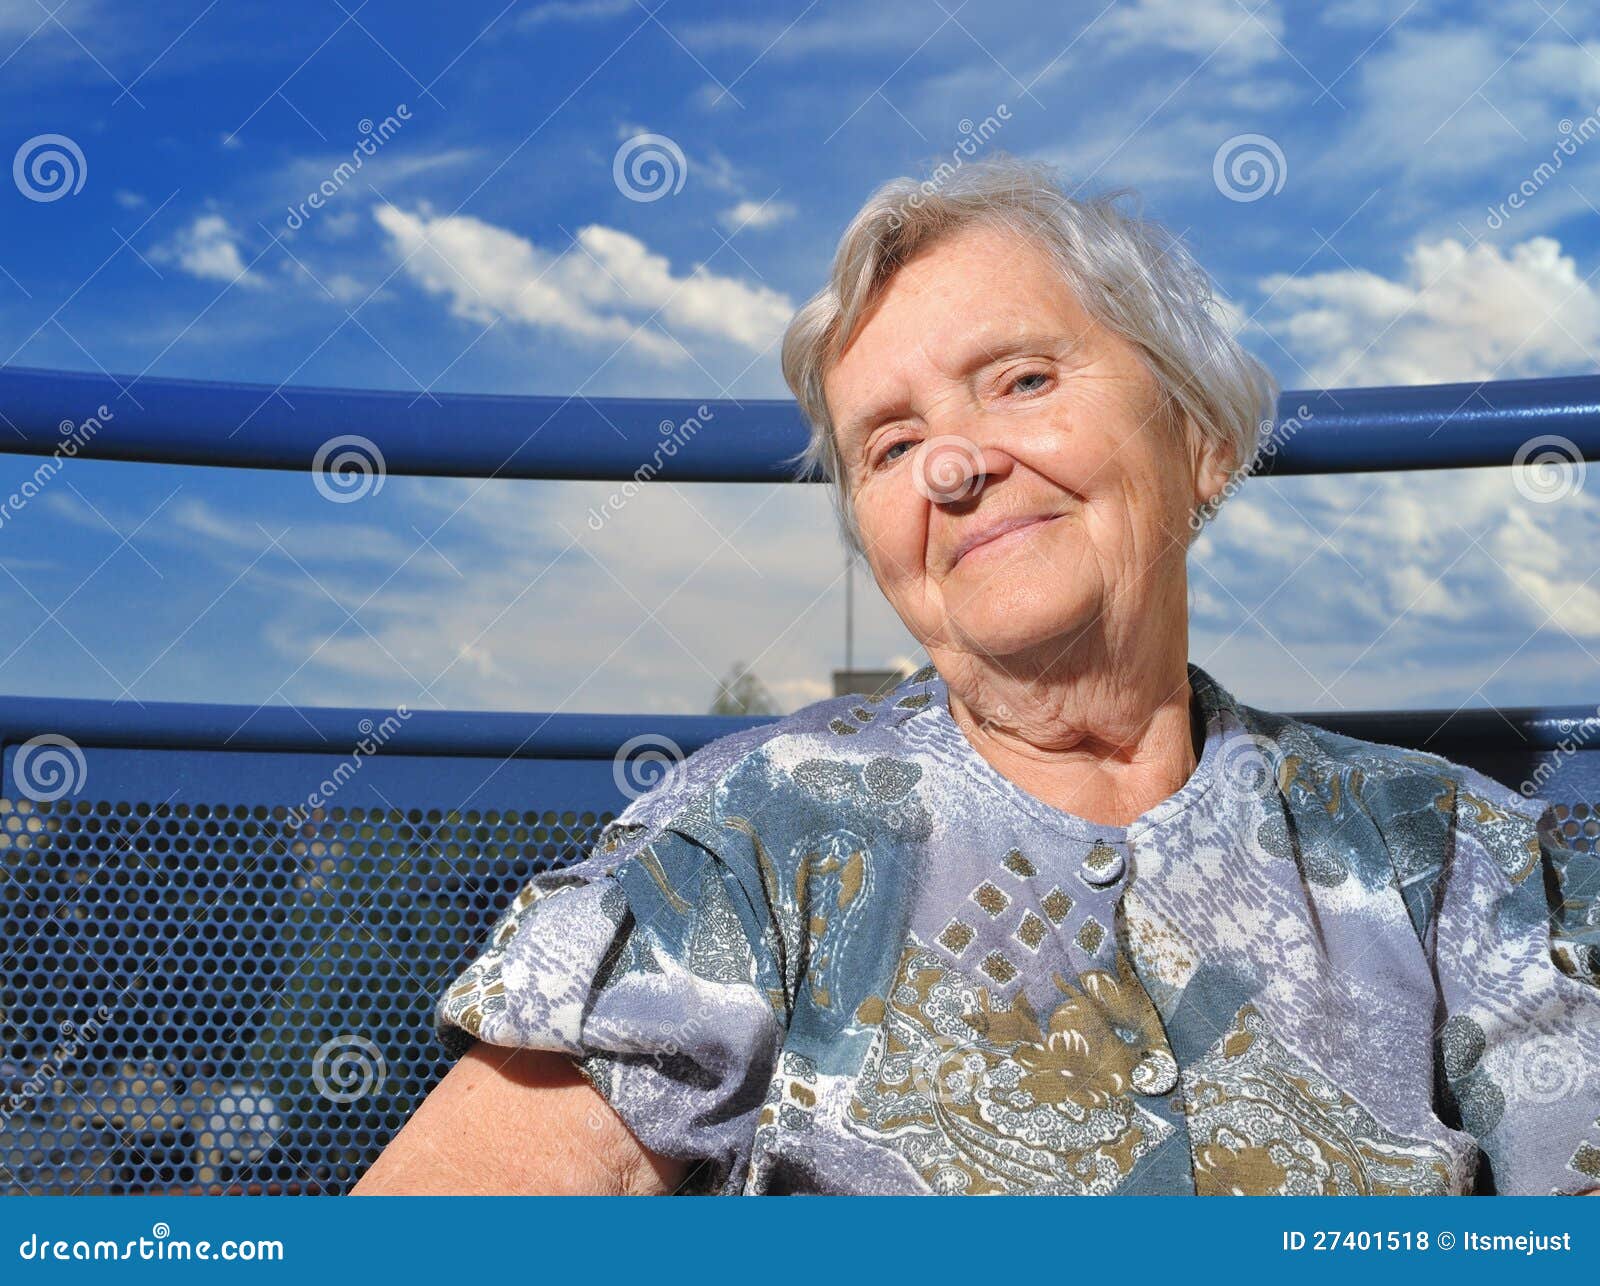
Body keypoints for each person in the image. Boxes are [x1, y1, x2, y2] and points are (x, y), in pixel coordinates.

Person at [354, 157, 1600, 1196]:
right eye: (891, 444)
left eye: (1022, 380)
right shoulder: (758, 838)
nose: (951, 467)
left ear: (1202, 437)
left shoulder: (1444, 853)